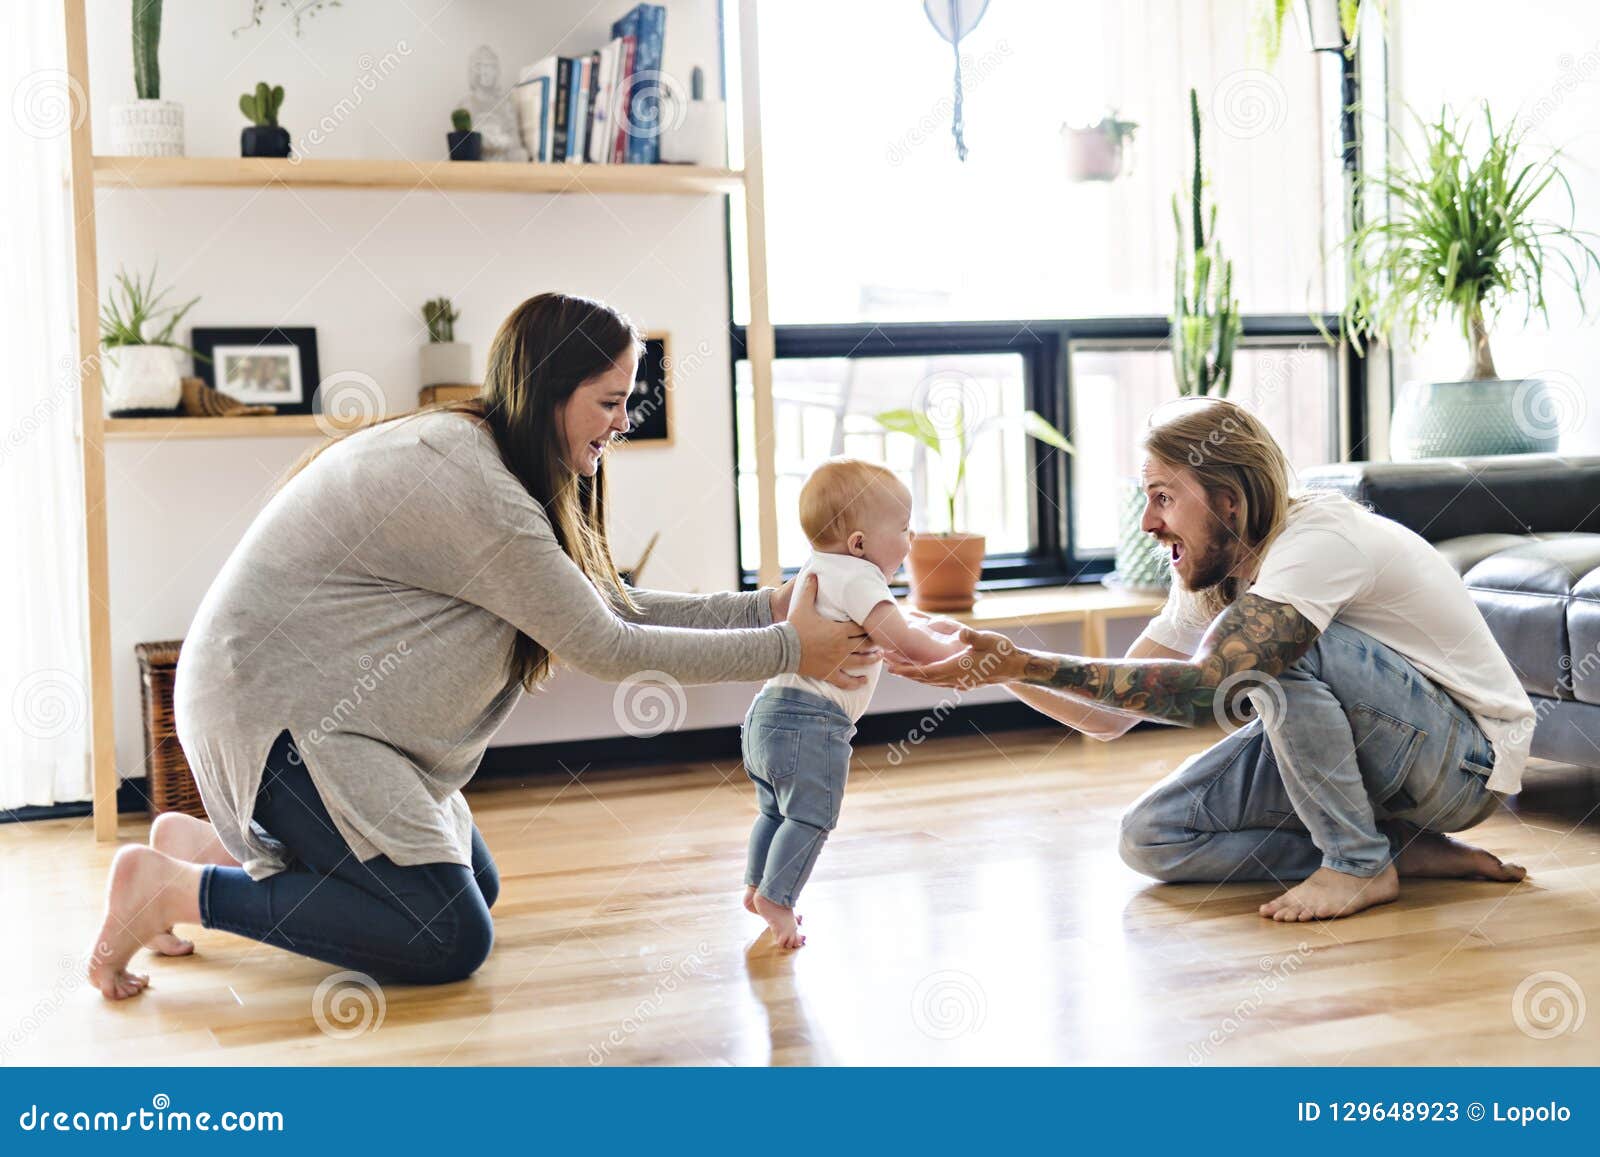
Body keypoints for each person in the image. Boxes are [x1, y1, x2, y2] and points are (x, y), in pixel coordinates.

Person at [87, 292, 872, 999]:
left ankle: (207, 852)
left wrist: (763, 610)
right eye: (608, 402)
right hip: (280, 716)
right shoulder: (471, 483)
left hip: (326, 716)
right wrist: (787, 650)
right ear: (550, 392)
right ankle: (172, 889)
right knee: (444, 933)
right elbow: (605, 643)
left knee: (472, 888)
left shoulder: (497, 459)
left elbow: (597, 602)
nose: (623, 423)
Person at [889, 398, 1532, 922]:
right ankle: (1397, 849)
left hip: (1464, 764)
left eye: (1163, 497)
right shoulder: (1214, 562)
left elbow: (1206, 688)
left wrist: (1025, 662)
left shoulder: (1317, 540)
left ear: (1228, 500)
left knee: (1269, 657)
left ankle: (1357, 862)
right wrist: (997, 669)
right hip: (1382, 753)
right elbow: (1109, 717)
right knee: (1151, 837)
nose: (1148, 522)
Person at [741, 459, 964, 947]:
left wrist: (922, 627)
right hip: (811, 724)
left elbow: (896, 624)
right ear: (860, 543)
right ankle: (778, 899)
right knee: (813, 816)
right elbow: (900, 639)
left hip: (765, 716)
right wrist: (959, 654)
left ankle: (758, 885)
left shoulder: (815, 572)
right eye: (904, 529)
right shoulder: (862, 577)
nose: (912, 539)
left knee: (775, 813)